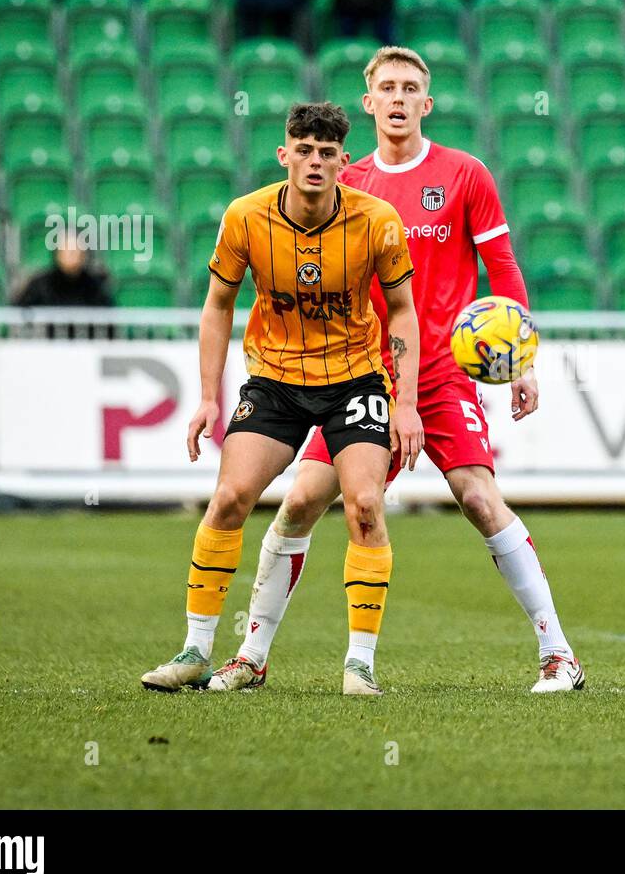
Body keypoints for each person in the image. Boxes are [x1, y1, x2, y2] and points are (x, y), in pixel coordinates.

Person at [207, 46, 583, 696]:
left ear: (427, 103)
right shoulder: (345, 184)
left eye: (412, 87)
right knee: (299, 500)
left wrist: (521, 357)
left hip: (437, 374)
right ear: (370, 102)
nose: (401, 97)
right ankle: (251, 655)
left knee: (478, 497)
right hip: (354, 374)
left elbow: (505, 270)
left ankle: (558, 655)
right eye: (389, 87)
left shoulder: (465, 175)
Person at [140, 101, 424, 696]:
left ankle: (359, 664)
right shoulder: (244, 216)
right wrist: (208, 399)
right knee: (230, 497)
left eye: (326, 153)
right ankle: (195, 650)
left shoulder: (379, 221)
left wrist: (405, 403)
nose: (314, 162)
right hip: (275, 380)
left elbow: (401, 311)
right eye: (303, 150)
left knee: (365, 504)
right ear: (284, 154)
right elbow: (217, 305)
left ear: (345, 162)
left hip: (356, 379)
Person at [14, 230, 114, 307]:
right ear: (58, 254)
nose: (74, 256)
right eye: (69, 252)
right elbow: (19, 310)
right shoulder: (41, 285)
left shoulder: (94, 285)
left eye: (77, 252)